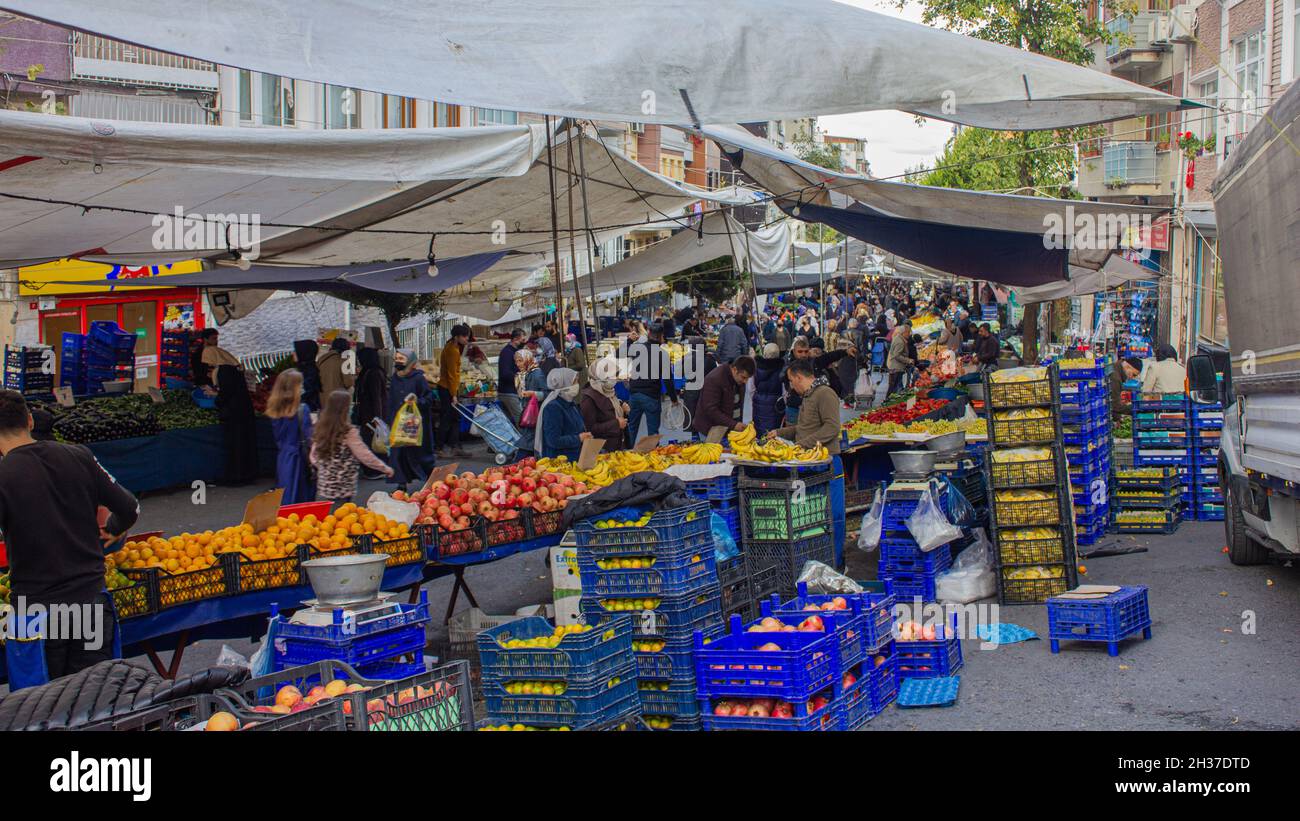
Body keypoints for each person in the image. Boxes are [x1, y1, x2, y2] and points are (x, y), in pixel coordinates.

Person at [0, 389, 139, 685]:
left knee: (38, 710)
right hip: (91, 600)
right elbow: (130, 507)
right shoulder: (79, 455)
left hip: (36, 611)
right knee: (94, 701)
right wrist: (113, 529)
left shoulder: (4, 475)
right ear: (29, 421)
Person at [768, 359, 847, 568]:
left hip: (828, 464)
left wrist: (802, 445)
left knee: (833, 517)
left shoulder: (824, 394)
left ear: (798, 377)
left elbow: (832, 428)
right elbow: (804, 428)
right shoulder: (808, 397)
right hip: (811, 465)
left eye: (791, 381)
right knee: (816, 518)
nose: (791, 386)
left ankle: (837, 563)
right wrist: (779, 433)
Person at [311, 389, 394, 503]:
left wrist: (325, 469)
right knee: (343, 516)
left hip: (326, 487)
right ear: (344, 409)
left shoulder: (321, 428)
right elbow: (364, 455)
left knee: (329, 516)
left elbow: (313, 455)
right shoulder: (348, 432)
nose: (351, 408)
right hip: (343, 487)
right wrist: (384, 468)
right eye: (349, 405)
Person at [387, 348, 436, 491]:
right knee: (399, 453)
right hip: (399, 423)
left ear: (410, 362)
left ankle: (431, 479)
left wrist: (417, 401)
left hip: (417, 424)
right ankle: (401, 484)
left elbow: (428, 398)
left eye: (401, 359)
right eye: (397, 359)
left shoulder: (419, 378)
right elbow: (391, 400)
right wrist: (389, 419)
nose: (397, 361)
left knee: (420, 453)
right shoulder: (395, 378)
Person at [266, 369, 316, 505]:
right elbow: (309, 436)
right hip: (300, 458)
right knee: (302, 498)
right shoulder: (302, 410)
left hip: (283, 457)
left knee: (286, 496)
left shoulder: (274, 410)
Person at [627, 322, 679, 441]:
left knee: (631, 428)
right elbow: (668, 380)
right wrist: (674, 398)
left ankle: (626, 454)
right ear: (662, 336)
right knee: (653, 432)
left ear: (648, 333)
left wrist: (629, 340)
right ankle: (651, 456)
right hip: (651, 396)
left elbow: (619, 353)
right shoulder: (663, 354)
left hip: (634, 394)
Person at [214, 363, 258, 485]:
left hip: (233, 418)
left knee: (236, 448)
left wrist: (216, 398)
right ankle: (245, 474)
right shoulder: (240, 390)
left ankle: (236, 476)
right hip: (242, 416)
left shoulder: (226, 377)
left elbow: (224, 395)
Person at [535, 367, 591, 460]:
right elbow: (553, 440)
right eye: (574, 381)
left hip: (575, 457)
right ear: (565, 383)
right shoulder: (553, 407)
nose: (577, 384)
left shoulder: (570, 404)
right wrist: (578, 438)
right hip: (561, 462)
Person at [691, 355, 754, 436]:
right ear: (735, 370)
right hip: (711, 429)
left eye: (748, 378)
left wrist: (736, 424)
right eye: (744, 377)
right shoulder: (714, 379)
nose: (745, 381)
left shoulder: (739, 381)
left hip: (729, 428)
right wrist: (733, 424)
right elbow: (711, 409)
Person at [353, 346, 389, 478]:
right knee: (373, 442)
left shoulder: (371, 373)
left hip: (371, 415)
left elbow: (376, 397)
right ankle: (375, 469)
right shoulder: (372, 371)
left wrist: (377, 419)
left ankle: (374, 470)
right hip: (371, 414)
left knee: (373, 442)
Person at [437, 324, 471, 459]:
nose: (466, 338)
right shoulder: (452, 350)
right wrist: (453, 395)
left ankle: (455, 446)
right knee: (447, 419)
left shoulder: (454, 347)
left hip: (449, 387)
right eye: (464, 336)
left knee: (455, 418)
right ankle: (439, 448)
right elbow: (452, 374)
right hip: (447, 388)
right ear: (456, 337)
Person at [580, 356, 628, 452]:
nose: (615, 379)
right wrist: (616, 424)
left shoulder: (609, 391)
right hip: (602, 449)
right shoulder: (589, 398)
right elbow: (590, 428)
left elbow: (611, 413)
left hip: (617, 444)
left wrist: (622, 410)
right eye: (611, 376)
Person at [680, 335, 718, 425]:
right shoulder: (710, 359)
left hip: (691, 392)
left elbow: (681, 373)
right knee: (706, 417)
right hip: (707, 391)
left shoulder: (686, 358)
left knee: (692, 415)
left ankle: (694, 436)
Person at [497, 328, 527, 427]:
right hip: (509, 392)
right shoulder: (507, 352)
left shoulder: (516, 351)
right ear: (515, 339)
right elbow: (505, 374)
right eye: (522, 340)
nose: (524, 342)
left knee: (513, 422)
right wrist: (521, 378)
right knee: (521, 421)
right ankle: (524, 441)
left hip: (513, 391)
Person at [886, 319, 915, 397]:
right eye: (908, 332)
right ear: (903, 333)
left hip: (894, 366)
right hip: (896, 367)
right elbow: (896, 355)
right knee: (894, 387)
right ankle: (887, 402)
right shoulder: (900, 342)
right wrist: (908, 360)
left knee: (893, 386)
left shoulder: (899, 338)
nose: (909, 334)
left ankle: (888, 401)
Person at [293, 339, 322, 412]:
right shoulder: (309, 368)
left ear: (303, 353)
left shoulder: (308, 371)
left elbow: (306, 392)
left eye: (296, 351)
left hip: (306, 411)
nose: (293, 353)